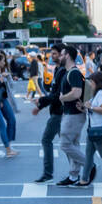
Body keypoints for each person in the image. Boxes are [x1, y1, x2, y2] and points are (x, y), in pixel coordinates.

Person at [54, 43, 90, 185]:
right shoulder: (69, 72)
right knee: (73, 144)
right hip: (72, 113)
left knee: (65, 144)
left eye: (62, 54)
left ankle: (90, 165)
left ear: (67, 55)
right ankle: (73, 176)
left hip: (74, 114)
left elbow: (77, 92)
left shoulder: (73, 73)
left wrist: (62, 98)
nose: (60, 57)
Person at [32, 45, 65, 183]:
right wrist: (40, 105)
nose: (53, 56)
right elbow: (53, 93)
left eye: (55, 54)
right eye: (52, 53)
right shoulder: (57, 70)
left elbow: (57, 95)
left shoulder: (63, 71)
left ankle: (48, 173)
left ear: (63, 55)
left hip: (59, 112)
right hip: (57, 112)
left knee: (48, 140)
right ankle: (81, 170)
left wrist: (41, 102)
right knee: (67, 144)